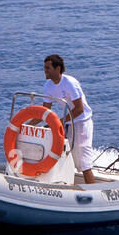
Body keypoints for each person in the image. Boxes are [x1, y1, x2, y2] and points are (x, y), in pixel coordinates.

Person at [41, 54, 96, 184]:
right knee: (66, 156)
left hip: (81, 123)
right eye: (45, 68)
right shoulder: (48, 85)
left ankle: (94, 191)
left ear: (58, 69)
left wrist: (59, 122)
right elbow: (45, 111)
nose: (45, 71)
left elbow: (79, 109)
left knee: (83, 163)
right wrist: (26, 124)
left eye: (48, 68)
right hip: (68, 123)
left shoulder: (70, 83)